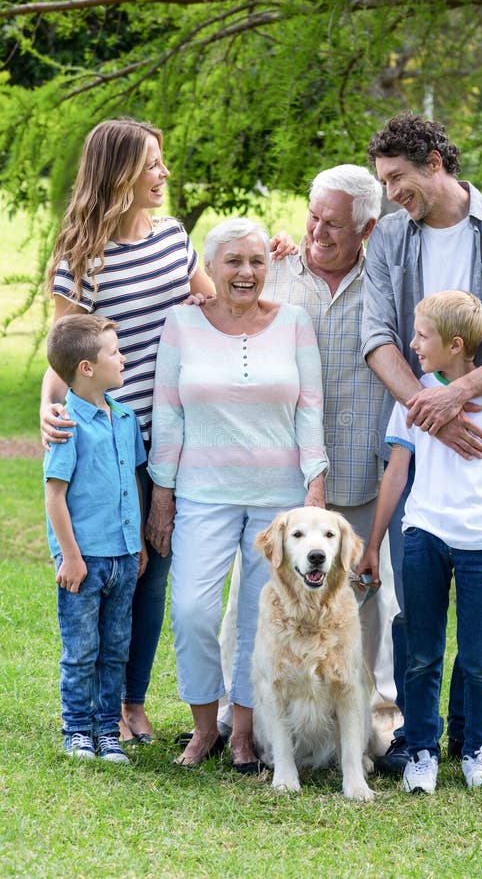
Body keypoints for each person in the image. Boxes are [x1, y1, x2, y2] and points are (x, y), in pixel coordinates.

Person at [39, 117, 294, 745]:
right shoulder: (79, 258)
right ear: (121, 171)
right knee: (115, 569)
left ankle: (129, 701)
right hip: (107, 441)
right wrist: (49, 408)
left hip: (172, 440)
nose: (164, 174)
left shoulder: (175, 238)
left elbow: (220, 304)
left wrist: (271, 265)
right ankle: (98, 705)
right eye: (154, 163)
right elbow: (63, 350)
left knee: (154, 572)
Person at [361, 112, 482, 775]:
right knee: (413, 590)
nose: (391, 194)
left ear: (434, 162)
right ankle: (416, 736)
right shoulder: (390, 239)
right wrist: (430, 407)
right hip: (419, 431)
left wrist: (459, 393)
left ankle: (474, 735)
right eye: (383, 181)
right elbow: (377, 337)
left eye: (397, 178)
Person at [218, 164, 403, 746]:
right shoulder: (274, 272)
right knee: (254, 598)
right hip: (281, 476)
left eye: (334, 225)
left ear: (368, 227)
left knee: (367, 603)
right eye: (312, 217)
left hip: (359, 471)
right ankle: (238, 717)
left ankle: (372, 723)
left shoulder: (388, 283)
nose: (317, 232)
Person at [146, 217, 328, 772]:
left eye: (256, 261)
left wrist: (314, 493)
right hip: (203, 493)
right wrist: (162, 495)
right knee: (194, 611)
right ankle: (205, 728)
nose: (246, 273)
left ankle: (244, 732)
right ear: (211, 268)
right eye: (233, 262)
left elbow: (310, 409)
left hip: (279, 499)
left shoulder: (294, 322)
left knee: (261, 617)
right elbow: (168, 413)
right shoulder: (182, 323)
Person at [358, 290, 482, 793]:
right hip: (424, 538)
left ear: (455, 344)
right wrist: (373, 544)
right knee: (421, 653)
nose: (412, 344)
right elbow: (397, 472)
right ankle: (421, 751)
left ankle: (478, 748)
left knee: (480, 658)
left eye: (421, 336)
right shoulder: (416, 397)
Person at [44, 314, 147, 764]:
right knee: (82, 650)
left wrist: (138, 543)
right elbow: (55, 497)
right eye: (114, 352)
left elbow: (134, 483)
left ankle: (108, 732)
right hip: (83, 561)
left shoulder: (125, 418)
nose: (123, 357)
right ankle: (77, 731)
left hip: (123, 557)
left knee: (114, 648)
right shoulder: (67, 424)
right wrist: (70, 556)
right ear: (87, 367)